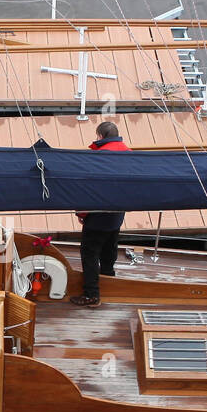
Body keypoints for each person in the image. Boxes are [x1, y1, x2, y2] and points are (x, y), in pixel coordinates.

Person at [70, 121, 130, 308]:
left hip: (98, 214)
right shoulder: (130, 155)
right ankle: (109, 280)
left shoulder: (98, 157)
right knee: (110, 248)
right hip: (117, 212)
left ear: (101, 136)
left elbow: (89, 188)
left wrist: (82, 212)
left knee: (89, 253)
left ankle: (92, 295)